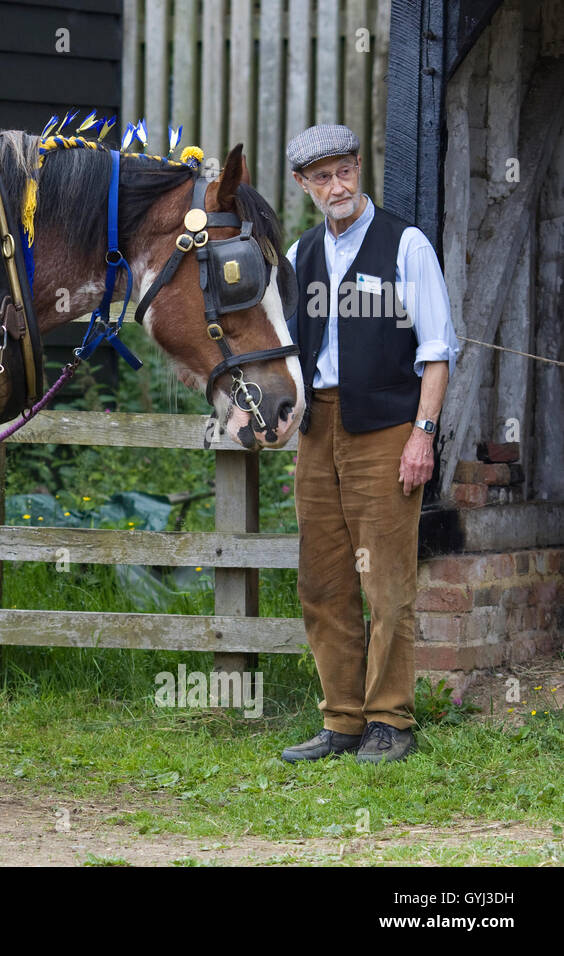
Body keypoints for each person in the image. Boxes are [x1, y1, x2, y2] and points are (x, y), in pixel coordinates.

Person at [279, 124, 460, 764]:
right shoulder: (300, 255)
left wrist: (423, 435)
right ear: (303, 185)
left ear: (360, 169)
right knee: (323, 582)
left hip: (387, 427)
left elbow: (437, 352)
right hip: (317, 427)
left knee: (385, 583)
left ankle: (391, 721)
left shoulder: (404, 244)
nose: (338, 186)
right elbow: (290, 355)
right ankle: (343, 721)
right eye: (322, 177)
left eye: (345, 171)